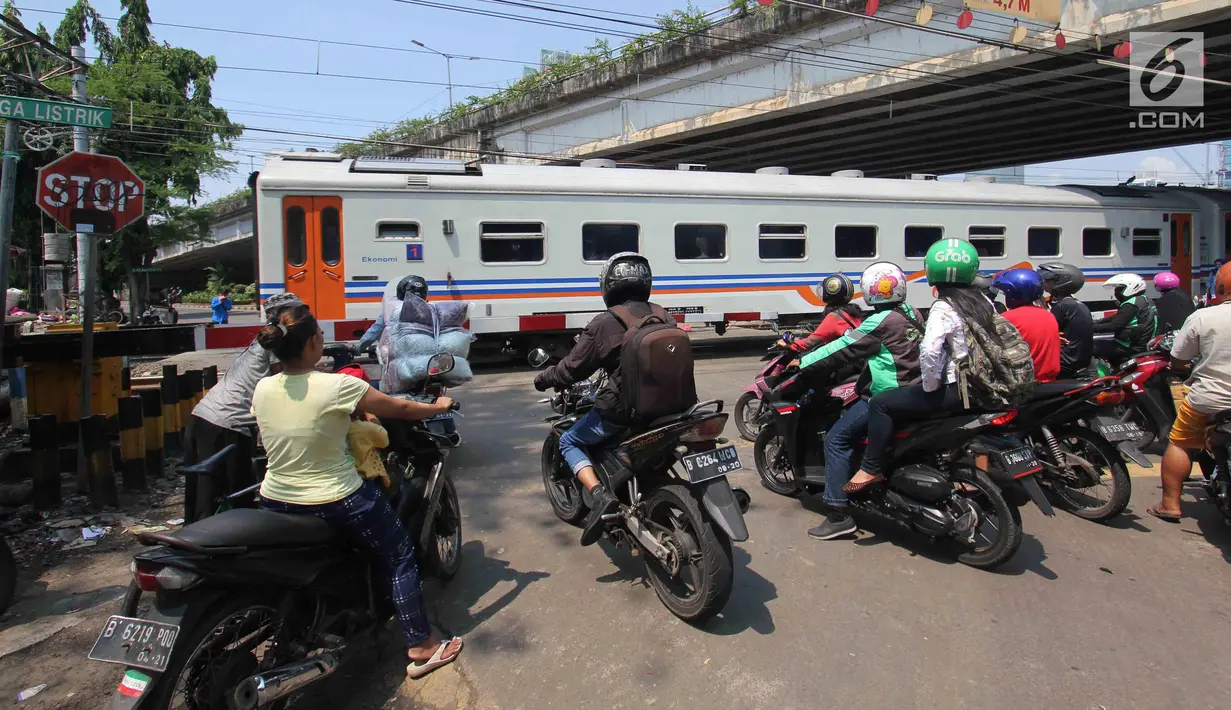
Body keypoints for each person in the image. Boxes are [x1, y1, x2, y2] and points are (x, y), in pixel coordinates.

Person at [251, 304, 463, 677]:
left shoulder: (264, 387)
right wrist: (438, 406)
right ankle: (422, 645)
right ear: (312, 343)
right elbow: (398, 407)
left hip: (275, 499)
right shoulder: (338, 385)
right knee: (398, 554)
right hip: (336, 498)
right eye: (318, 334)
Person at [533, 252, 680, 546]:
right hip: (676, 406)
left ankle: (600, 496)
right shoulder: (664, 314)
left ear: (609, 285)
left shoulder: (605, 323)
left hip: (626, 411)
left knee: (569, 441)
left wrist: (543, 378)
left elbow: (571, 369)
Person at [850, 240, 995, 495]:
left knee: (880, 403)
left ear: (931, 272)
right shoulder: (984, 302)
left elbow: (929, 351)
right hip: (981, 385)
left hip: (954, 390)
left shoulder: (943, 306)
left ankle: (871, 468)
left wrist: (929, 386)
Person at [797, 262, 925, 540]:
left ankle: (838, 513)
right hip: (918, 391)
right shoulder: (911, 312)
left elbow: (841, 348)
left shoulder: (878, 321)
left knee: (836, 440)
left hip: (886, 395)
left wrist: (802, 362)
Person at [183, 292, 303, 523]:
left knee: (202, 499)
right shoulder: (279, 341)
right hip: (227, 424)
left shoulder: (266, 339)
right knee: (233, 501)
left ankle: (197, 545)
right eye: (299, 313)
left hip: (204, 417)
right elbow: (286, 385)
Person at [1147, 261, 1231, 522]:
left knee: (1180, 443)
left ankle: (1170, 504)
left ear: (1219, 287)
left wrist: (1182, 368)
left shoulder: (1204, 316)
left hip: (1210, 401)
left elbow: (1179, 359)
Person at [994, 268, 1060, 382]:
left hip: (1024, 383)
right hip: (1049, 381)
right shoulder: (1048, 315)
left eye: (1006, 293)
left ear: (1013, 293)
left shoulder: (1007, 318)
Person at [776, 274, 863, 353]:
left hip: (844, 363)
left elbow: (808, 343)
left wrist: (789, 345)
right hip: (856, 357)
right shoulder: (852, 313)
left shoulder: (834, 317)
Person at [1038, 262, 1094, 378]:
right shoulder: (1073, 303)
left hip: (1066, 361)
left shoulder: (1062, 306)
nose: (1044, 283)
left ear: (1061, 282)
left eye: (1048, 280)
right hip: (1077, 359)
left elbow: (1045, 332)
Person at [1094, 273, 1157, 367]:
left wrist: (1090, 327)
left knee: (1090, 346)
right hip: (1142, 343)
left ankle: (1093, 376)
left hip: (1129, 346)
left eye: (1120, 289)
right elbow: (1118, 317)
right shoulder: (1143, 300)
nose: (1116, 292)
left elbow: (1114, 325)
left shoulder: (1131, 304)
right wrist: (1099, 321)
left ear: (1132, 287)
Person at [357, 275, 429, 353]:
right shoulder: (429, 311)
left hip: (397, 355)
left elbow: (374, 331)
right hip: (424, 355)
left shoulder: (391, 310)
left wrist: (358, 348)